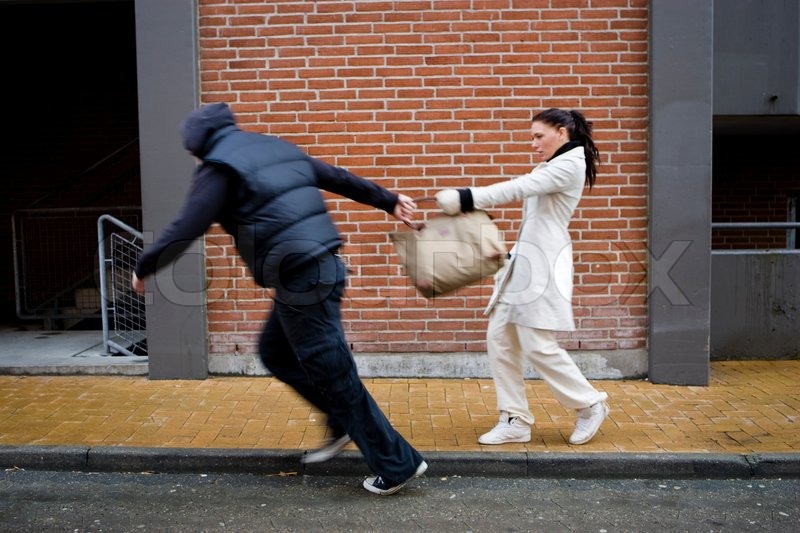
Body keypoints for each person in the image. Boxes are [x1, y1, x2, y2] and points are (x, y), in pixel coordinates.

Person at [131, 102, 427, 495]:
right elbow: (335, 177)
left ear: (198, 145)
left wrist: (145, 265)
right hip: (317, 269)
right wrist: (387, 200)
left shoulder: (219, 168)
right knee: (276, 351)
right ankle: (340, 422)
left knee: (335, 374)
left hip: (303, 276)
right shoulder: (276, 147)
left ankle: (397, 464)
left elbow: (188, 224)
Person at [434, 108, 610, 446]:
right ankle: (515, 419)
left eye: (538, 136)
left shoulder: (569, 164)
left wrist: (465, 197)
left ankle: (589, 404)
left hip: (544, 265)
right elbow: (536, 220)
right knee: (499, 338)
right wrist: (510, 253)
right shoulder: (553, 164)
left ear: (561, 132)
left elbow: (519, 187)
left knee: (537, 343)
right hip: (526, 263)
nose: (533, 143)